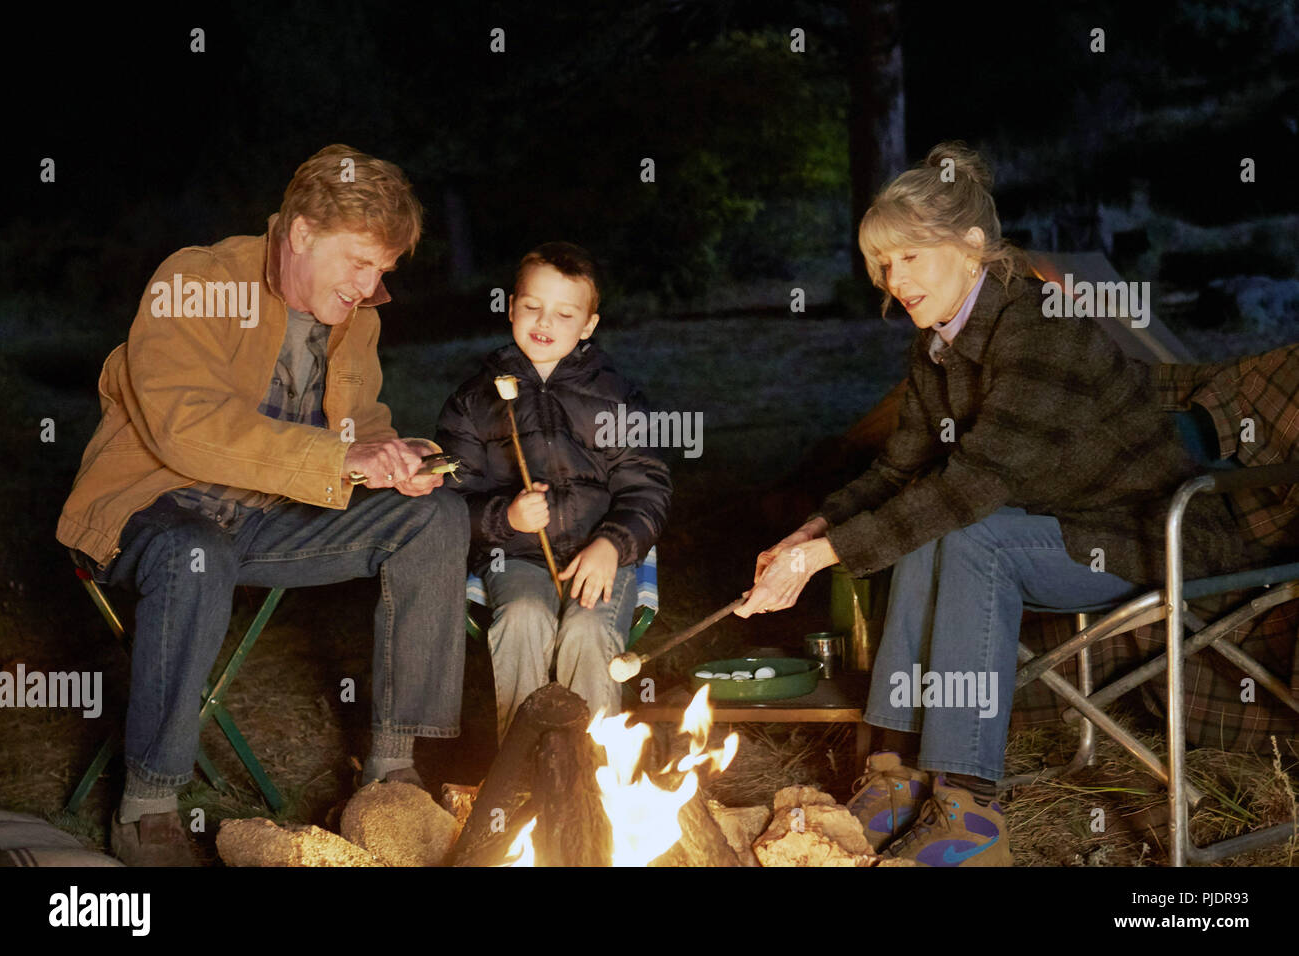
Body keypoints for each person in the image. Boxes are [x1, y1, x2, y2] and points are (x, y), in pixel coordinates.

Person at [736, 142, 1262, 866]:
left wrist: (822, 559)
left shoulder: (1039, 326)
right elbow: (901, 471)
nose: (895, 279)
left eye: (911, 257)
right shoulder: (936, 350)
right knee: (932, 529)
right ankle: (896, 775)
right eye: (884, 263)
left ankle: (969, 812)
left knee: (969, 533)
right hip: (1058, 528)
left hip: (1151, 532)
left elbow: (973, 485)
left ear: (974, 247)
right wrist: (813, 529)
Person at [57, 144, 470, 866]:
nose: (372, 287)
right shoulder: (196, 279)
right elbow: (184, 424)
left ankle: (394, 768)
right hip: (155, 505)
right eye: (358, 263)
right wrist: (340, 459)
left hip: (269, 515)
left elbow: (355, 427)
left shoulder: (356, 319)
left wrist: (396, 458)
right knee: (197, 554)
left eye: (383, 271)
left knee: (434, 518)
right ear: (302, 233)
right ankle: (149, 801)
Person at [436, 242, 671, 741]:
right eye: (531, 307)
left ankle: (593, 770)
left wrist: (611, 544)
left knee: (587, 631)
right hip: (515, 558)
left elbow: (647, 487)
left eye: (565, 313)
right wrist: (506, 518)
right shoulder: (472, 401)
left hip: (601, 555)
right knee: (522, 619)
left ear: (588, 325)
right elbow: (451, 503)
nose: (545, 321)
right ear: (510, 307)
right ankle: (520, 769)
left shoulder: (616, 395)